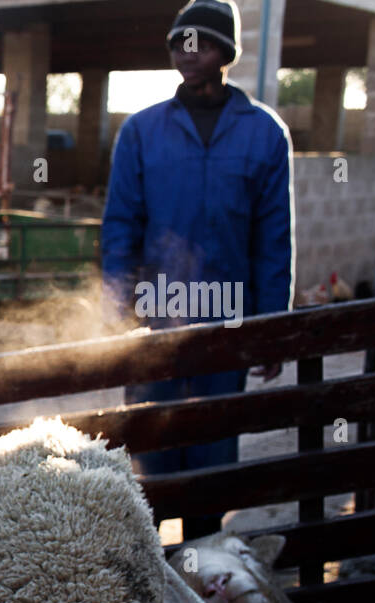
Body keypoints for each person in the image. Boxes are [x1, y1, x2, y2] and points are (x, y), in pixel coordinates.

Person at [102, 0, 295, 539]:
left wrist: (270, 331)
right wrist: (118, 313)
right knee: (150, 459)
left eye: (201, 44)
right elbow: (121, 226)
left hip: (225, 324)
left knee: (213, 456)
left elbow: (273, 241)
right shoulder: (142, 132)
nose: (187, 55)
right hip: (157, 321)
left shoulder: (264, 133)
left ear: (225, 53)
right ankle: (151, 580)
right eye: (178, 44)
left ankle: (205, 578)